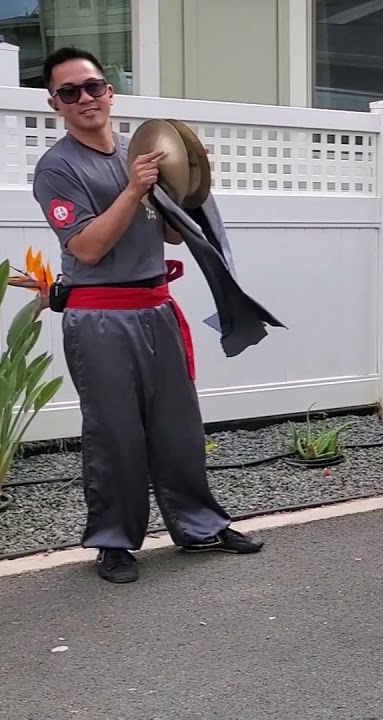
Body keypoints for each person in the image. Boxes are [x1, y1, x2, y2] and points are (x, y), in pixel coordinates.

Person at [32, 47, 262, 584]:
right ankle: (113, 541)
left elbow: (172, 231)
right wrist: (135, 190)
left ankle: (200, 527)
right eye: (70, 92)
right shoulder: (58, 168)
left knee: (178, 427)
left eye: (93, 87)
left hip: (155, 306)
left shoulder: (138, 150)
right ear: (55, 104)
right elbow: (86, 248)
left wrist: (185, 184)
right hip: (100, 316)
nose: (85, 98)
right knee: (115, 434)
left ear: (109, 91)